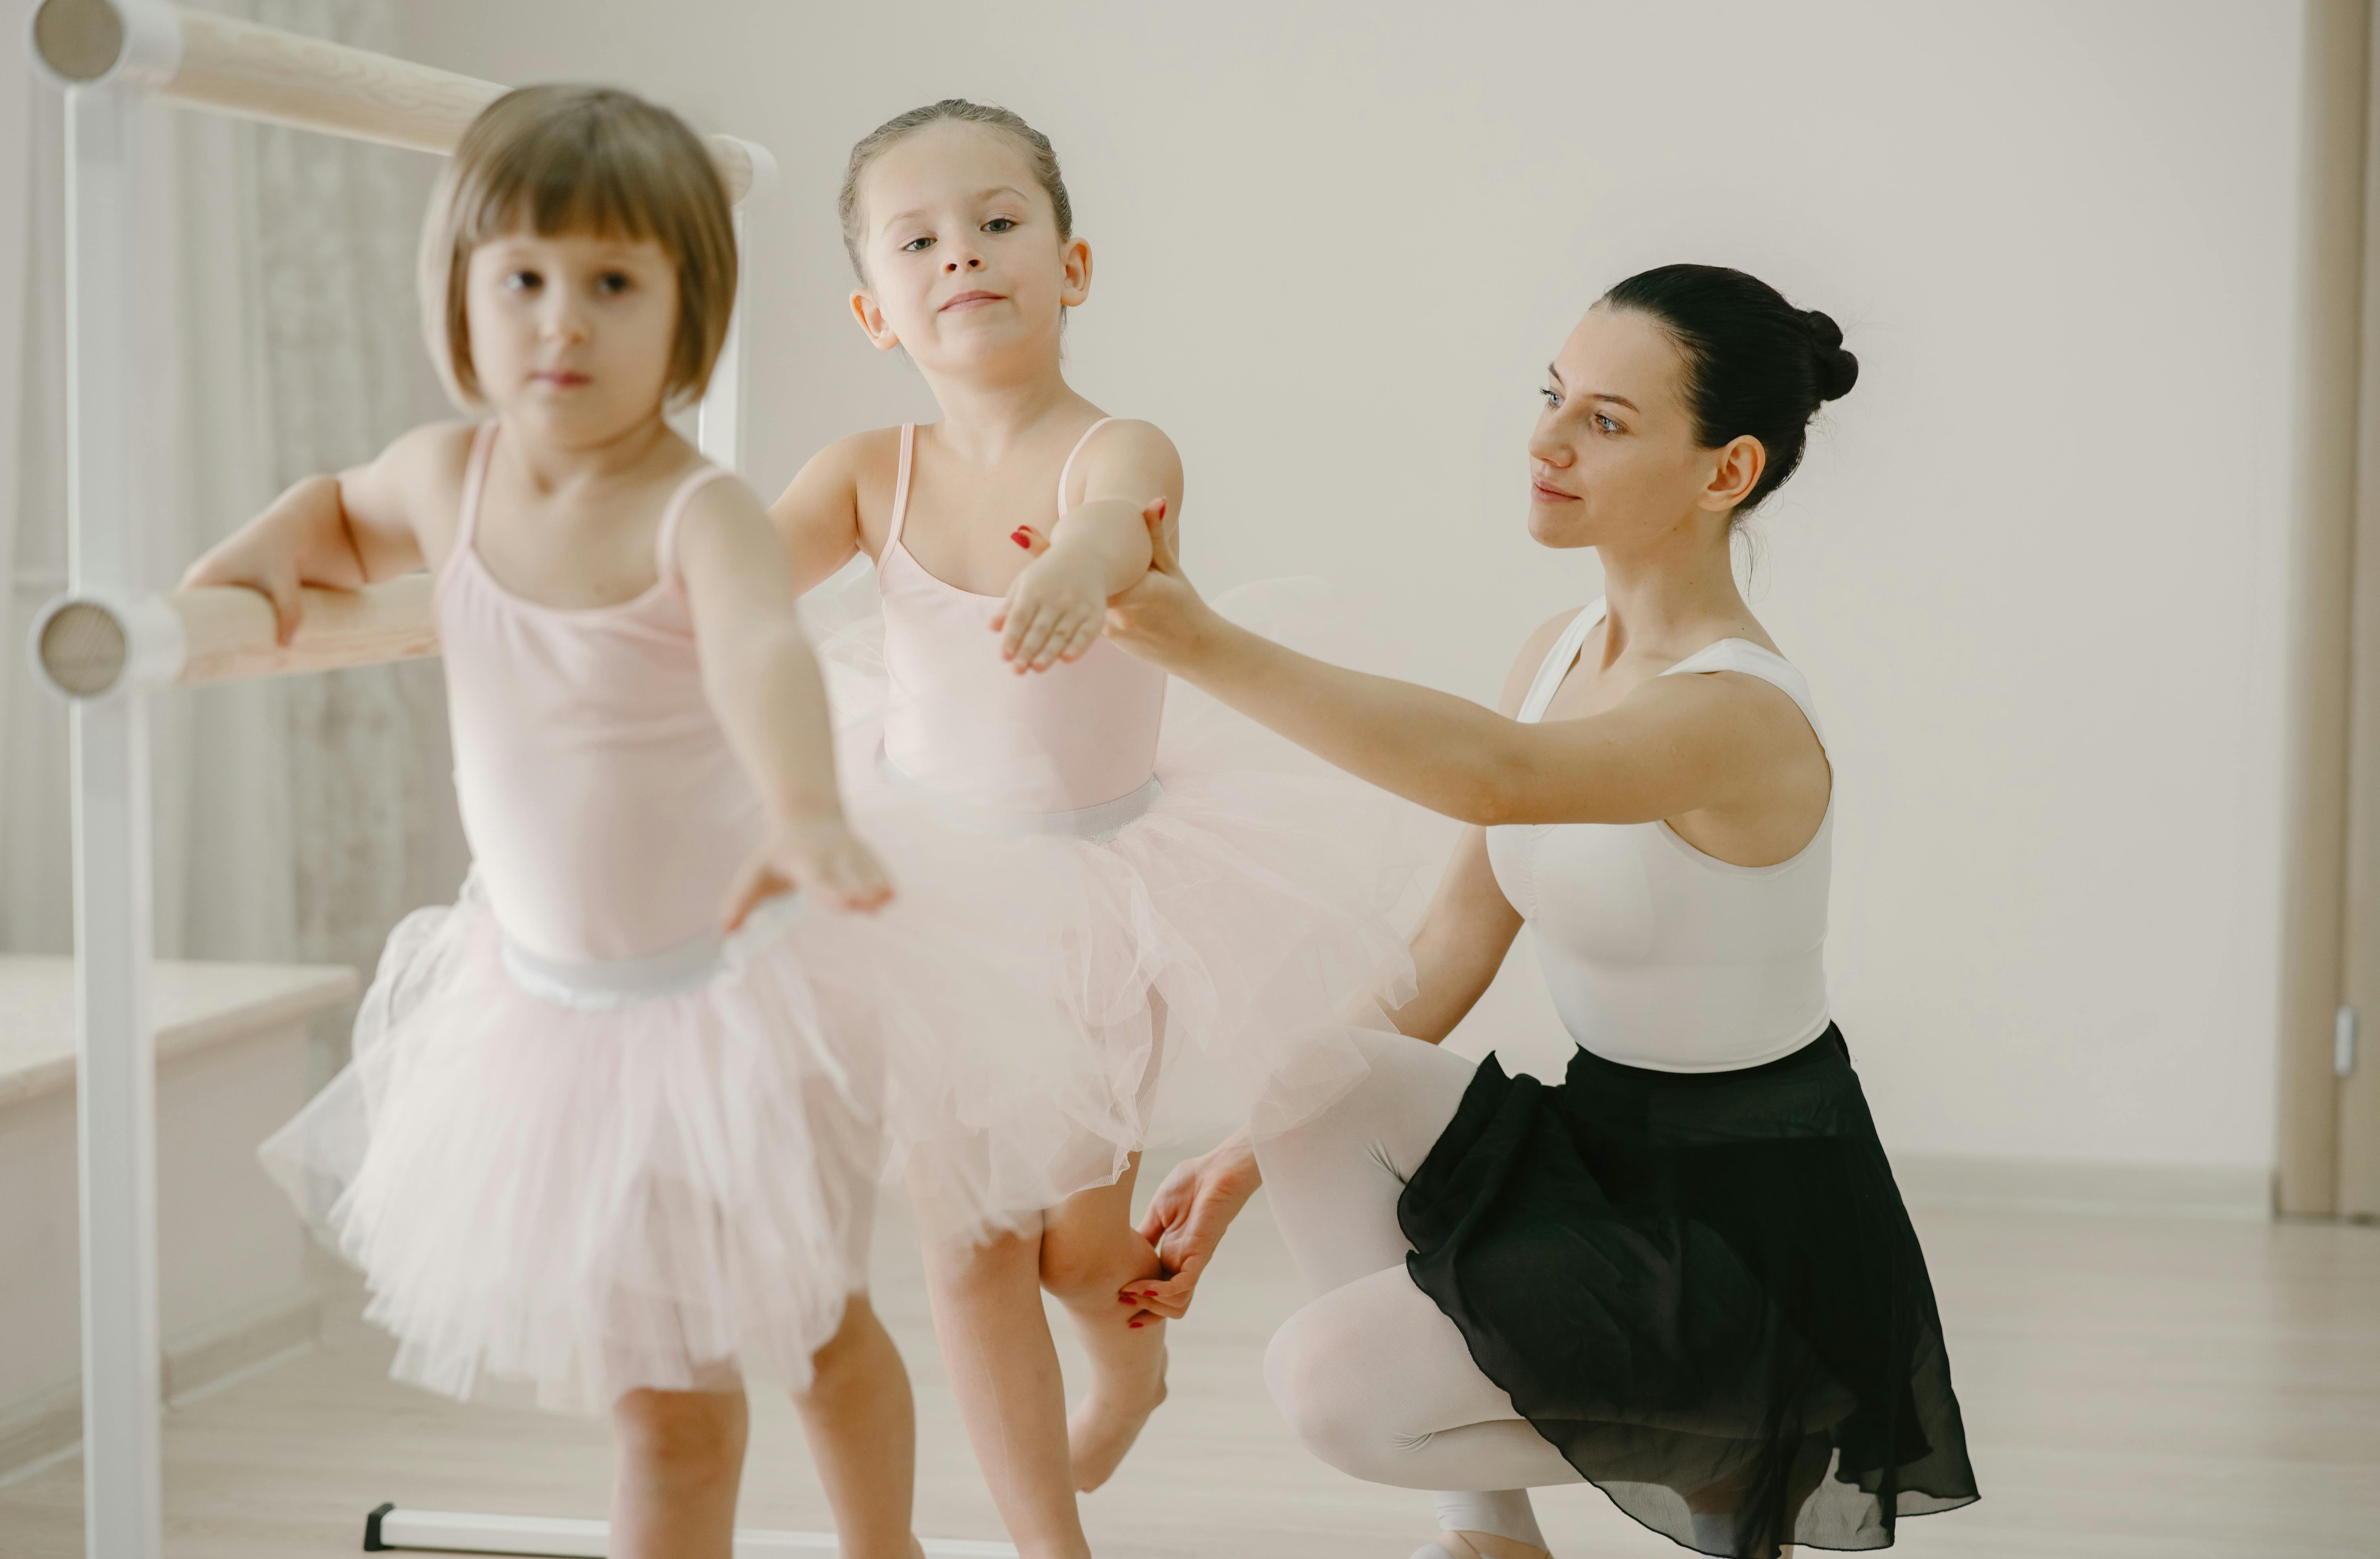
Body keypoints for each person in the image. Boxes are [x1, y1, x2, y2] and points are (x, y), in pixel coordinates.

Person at [195, 86, 996, 1559]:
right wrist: (223, 590)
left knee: (817, 1334)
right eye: (524, 280)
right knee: (664, 1412)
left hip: (741, 994)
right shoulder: (449, 477)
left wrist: (808, 810)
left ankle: (887, 1551)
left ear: (686, 317)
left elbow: (763, 654)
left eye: (612, 285)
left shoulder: (698, 515)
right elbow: (327, 513)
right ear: (464, 299)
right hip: (550, 1021)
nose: (561, 321)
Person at [1106, 265, 1980, 1559]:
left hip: (1750, 1223)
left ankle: (1751, 1432)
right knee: (1316, 1077)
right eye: (1552, 396)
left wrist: (1200, 645)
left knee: (1327, 1386)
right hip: (1607, 1148)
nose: (1546, 441)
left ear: (1725, 471)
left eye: (1606, 422)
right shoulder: (1559, 653)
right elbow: (1456, 937)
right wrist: (1247, 1158)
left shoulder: (1738, 714)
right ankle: (1489, 1541)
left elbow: (1496, 776)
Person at [768, 100, 1420, 1559]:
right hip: (929, 893)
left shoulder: (1114, 449)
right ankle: (1049, 1547)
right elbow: (739, 569)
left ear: (1072, 265)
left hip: (1097, 891)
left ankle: (1129, 1357)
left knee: (1073, 1250)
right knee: (966, 1248)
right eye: (920, 239)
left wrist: (1076, 554)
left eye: (1000, 223)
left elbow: (1122, 515)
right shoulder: (870, 472)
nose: (965, 256)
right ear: (878, 309)